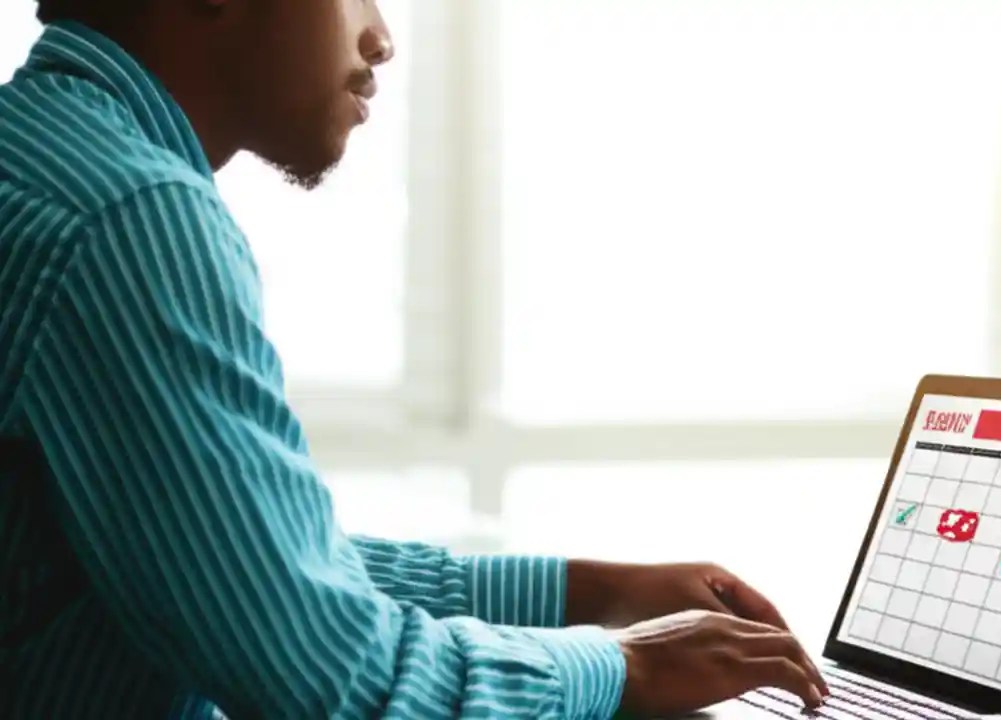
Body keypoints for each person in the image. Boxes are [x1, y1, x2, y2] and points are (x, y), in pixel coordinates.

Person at [0, 1, 832, 717]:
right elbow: (339, 685)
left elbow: (238, 563)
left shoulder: (43, 159)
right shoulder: (131, 218)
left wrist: (585, 592)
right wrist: (628, 664)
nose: (381, 37)